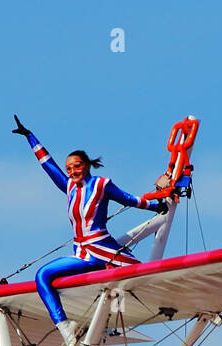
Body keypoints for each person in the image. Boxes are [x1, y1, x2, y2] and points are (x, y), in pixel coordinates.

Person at [12, 115, 171, 328]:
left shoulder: (101, 185)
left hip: (105, 249)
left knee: (147, 276)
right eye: (68, 168)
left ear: (86, 166)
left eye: (76, 166)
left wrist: (155, 206)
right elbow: (48, 166)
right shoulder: (69, 187)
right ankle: (64, 327)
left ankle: (152, 303)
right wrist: (30, 137)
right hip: (83, 255)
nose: (72, 171)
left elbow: (128, 199)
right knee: (42, 276)